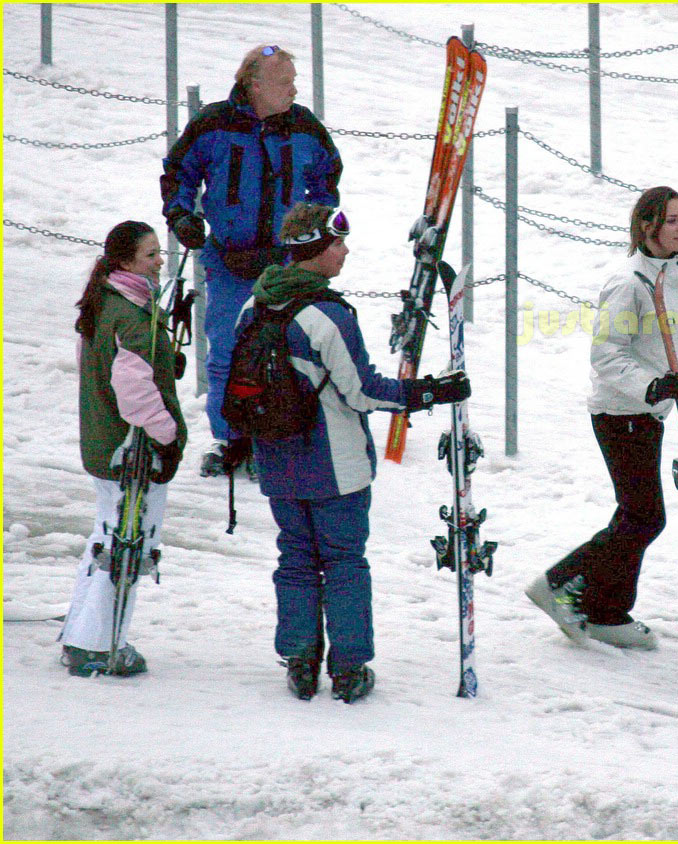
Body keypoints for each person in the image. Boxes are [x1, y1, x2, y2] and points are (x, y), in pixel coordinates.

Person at [238, 202, 470, 703]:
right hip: (333, 466)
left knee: (295, 559)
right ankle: (348, 668)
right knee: (343, 562)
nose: (345, 251)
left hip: (277, 461)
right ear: (314, 250)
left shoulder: (254, 305)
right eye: (337, 243)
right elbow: (362, 392)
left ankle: (300, 661)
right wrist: (429, 392)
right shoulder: (327, 316)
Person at [525, 186, 678, 651]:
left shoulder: (669, 274)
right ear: (646, 226)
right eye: (672, 220)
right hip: (621, 413)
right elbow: (606, 355)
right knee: (643, 517)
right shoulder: (628, 283)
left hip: (645, 413)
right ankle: (560, 585)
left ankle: (605, 610)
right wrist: (651, 387)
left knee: (639, 515)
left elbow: (659, 349)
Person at [160, 44, 343, 477]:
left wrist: (311, 233)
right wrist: (181, 216)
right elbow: (179, 173)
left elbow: (328, 179)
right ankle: (231, 440)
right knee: (226, 352)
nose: (294, 90)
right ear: (254, 85)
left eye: (294, 82)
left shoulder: (305, 128)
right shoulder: (213, 124)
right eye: (285, 82)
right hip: (229, 261)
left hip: (287, 265)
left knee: (290, 351)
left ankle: (281, 437)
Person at [59, 221, 188, 676]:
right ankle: (97, 645)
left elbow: (99, 365)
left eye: (159, 252)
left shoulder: (107, 301)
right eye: (151, 255)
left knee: (107, 533)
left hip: (105, 443)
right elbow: (134, 396)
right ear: (126, 261)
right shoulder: (130, 316)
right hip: (130, 451)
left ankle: (80, 633)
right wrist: (168, 437)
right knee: (126, 545)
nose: (160, 261)